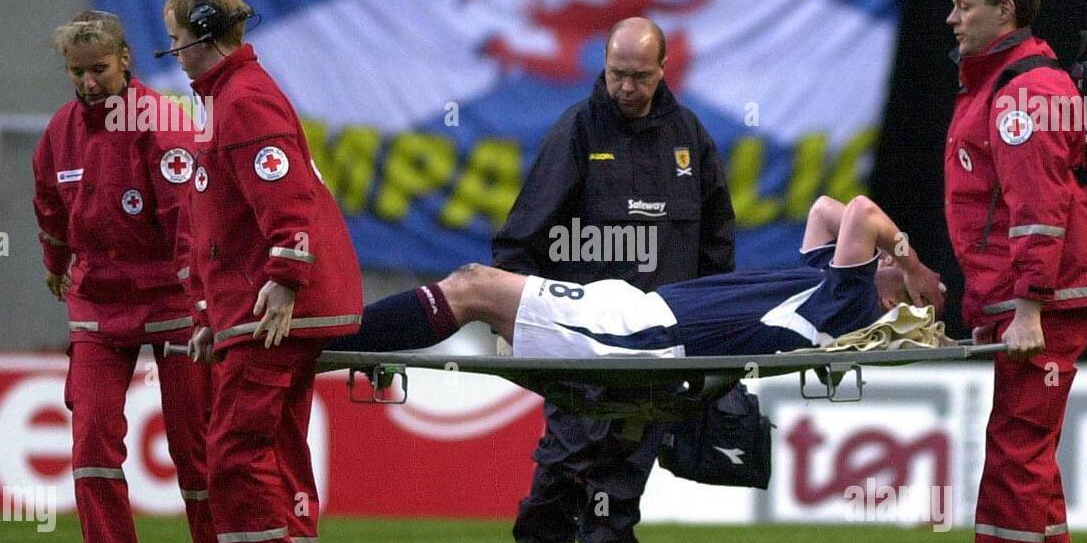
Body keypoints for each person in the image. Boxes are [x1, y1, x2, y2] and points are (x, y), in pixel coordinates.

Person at [488, 16, 736, 543]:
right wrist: (515, 324)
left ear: (662, 69)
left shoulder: (690, 138)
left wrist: (711, 326)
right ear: (603, 66)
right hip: (583, 340)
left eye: (638, 76)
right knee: (563, 464)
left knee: (623, 476)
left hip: (658, 347)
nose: (626, 86)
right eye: (616, 74)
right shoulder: (577, 129)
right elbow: (520, 237)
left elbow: (717, 244)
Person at [919, 0, 1087, 543]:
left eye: (964, 4)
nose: (951, 17)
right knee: (1028, 445)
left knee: (1015, 446)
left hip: (1050, 296)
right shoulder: (1003, 82)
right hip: (1039, 291)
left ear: (1004, 10)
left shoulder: (1022, 90)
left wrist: (1029, 305)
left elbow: (1039, 207)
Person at [163, 0, 363, 543]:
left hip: (271, 308)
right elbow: (221, 221)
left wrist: (285, 274)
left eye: (174, 41)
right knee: (276, 447)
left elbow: (284, 198)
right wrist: (204, 315)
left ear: (199, 36)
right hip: (254, 304)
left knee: (233, 447)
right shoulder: (232, 99)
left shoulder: (243, 101)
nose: (173, 52)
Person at [32, 10, 237, 543]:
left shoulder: (161, 124)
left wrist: (201, 302)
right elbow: (48, 200)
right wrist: (55, 258)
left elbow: (186, 220)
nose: (89, 82)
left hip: (171, 302)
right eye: (78, 72)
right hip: (98, 303)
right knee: (92, 439)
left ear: (125, 60)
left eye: (99, 69)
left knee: (193, 447)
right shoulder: (60, 132)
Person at [329, 193, 942, 367]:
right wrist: (905, 263)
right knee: (474, 290)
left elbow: (862, 212)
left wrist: (912, 264)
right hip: (641, 313)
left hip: (647, 335)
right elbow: (827, 211)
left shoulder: (849, 302)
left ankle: (323, 348)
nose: (889, 250)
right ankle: (325, 350)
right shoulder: (827, 282)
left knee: (470, 286)